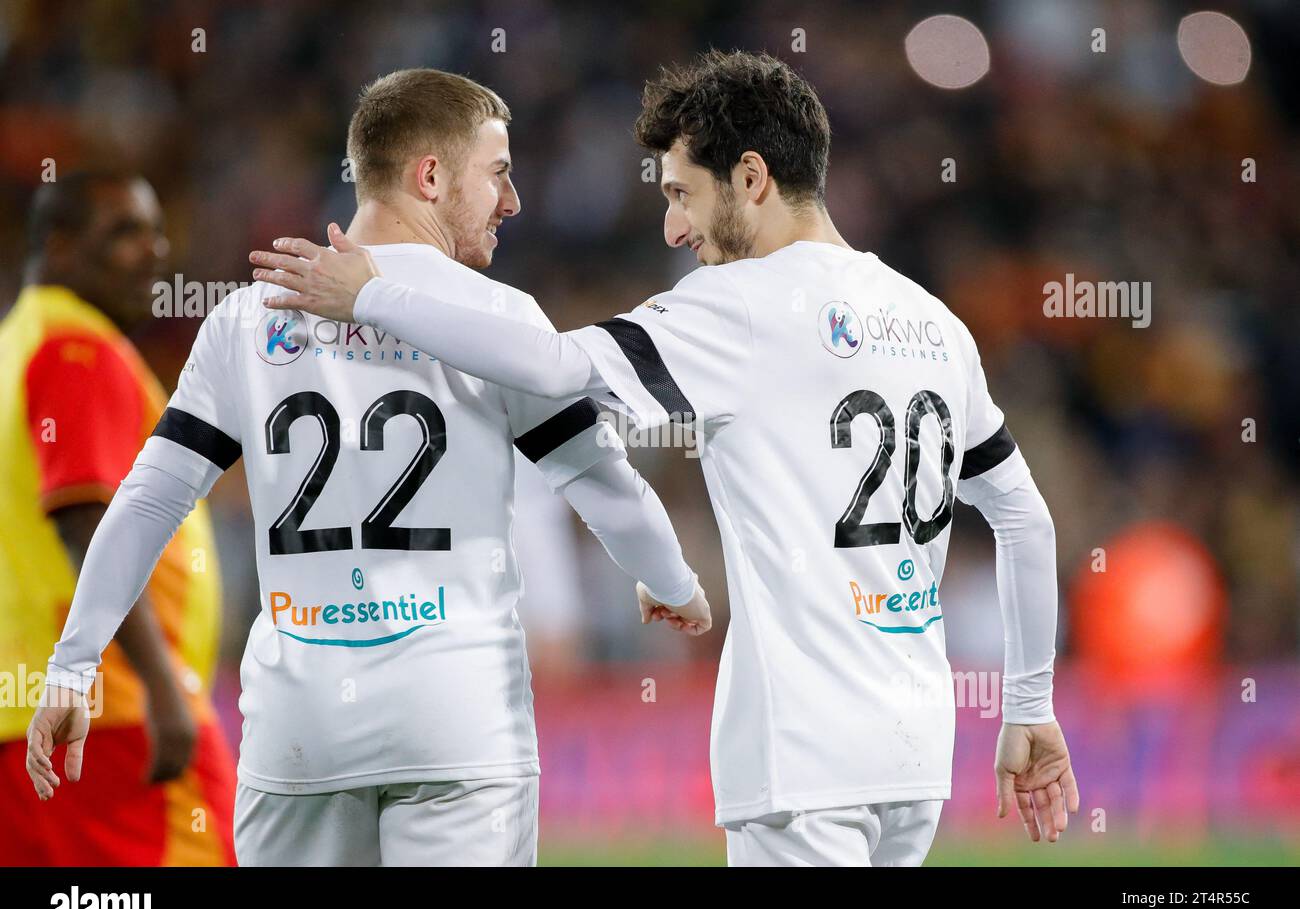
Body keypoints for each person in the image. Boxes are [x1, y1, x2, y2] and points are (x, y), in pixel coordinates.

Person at [250, 50, 1079, 866]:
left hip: (803, 758)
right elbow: (1026, 521)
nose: (674, 227)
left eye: (682, 193)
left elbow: (551, 366)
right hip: (915, 757)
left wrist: (370, 296)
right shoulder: (934, 321)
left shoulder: (739, 305)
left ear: (750, 178)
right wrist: (1029, 704)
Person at [26, 69, 709, 867]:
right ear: (430, 175)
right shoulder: (497, 323)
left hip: (298, 732)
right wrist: (674, 586)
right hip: (456, 721)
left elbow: (148, 503)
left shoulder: (248, 318)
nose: (513, 201)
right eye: (498, 174)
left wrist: (73, 665)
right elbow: (605, 485)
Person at [0, 171, 236, 865]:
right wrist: (164, 688)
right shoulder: (79, 351)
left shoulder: (18, 343)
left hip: (28, 715)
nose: (155, 251)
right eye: (126, 232)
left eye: (157, 231)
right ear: (61, 246)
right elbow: (86, 521)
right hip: (108, 715)